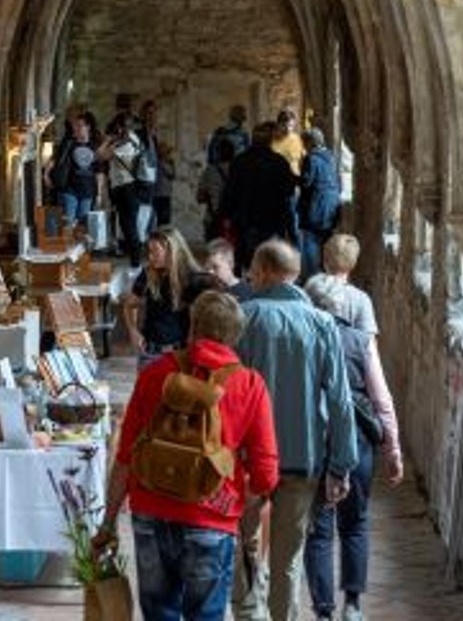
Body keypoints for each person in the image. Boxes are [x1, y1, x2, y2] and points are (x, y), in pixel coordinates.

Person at [94, 291, 279, 620]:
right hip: (211, 518)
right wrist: (234, 502)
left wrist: (108, 523)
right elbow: (266, 474)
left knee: (159, 614)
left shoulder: (155, 374)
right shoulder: (250, 385)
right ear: (236, 335)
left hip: (151, 512)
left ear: (192, 325)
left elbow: (125, 457)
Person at [234, 239, 358, 621]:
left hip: (247, 459)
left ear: (269, 272)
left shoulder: (243, 319)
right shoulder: (321, 324)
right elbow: (339, 399)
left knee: (242, 549)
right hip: (303, 455)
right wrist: (341, 464)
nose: (250, 278)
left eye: (254, 271)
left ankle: (247, 614)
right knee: (289, 557)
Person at [303, 284, 403, 621]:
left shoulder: (303, 340)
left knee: (319, 528)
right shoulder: (361, 342)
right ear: (344, 310)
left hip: (314, 442)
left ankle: (323, 609)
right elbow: (382, 401)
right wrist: (393, 450)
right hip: (358, 441)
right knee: (355, 523)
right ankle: (354, 604)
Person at [123, 227, 213, 370]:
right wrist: (133, 331)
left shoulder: (193, 278)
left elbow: (203, 317)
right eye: (149, 252)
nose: (150, 257)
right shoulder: (148, 274)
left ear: (171, 251)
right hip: (150, 351)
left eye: (155, 252)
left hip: (181, 352)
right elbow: (129, 304)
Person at [218, 122, 298, 271]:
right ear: (270, 141)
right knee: (270, 260)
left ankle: (250, 290)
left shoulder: (240, 162)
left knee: (249, 262)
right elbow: (289, 192)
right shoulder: (279, 162)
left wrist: (225, 215)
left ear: (252, 140)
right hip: (272, 221)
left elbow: (230, 192)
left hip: (246, 220)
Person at [303, 234, 377, 335]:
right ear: (354, 263)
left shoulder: (310, 288)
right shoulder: (361, 299)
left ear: (324, 259)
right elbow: (369, 343)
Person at [98, 111, 145, 267]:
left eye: (118, 127)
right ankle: (134, 261)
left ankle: (136, 262)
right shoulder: (127, 140)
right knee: (126, 226)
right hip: (121, 187)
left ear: (121, 127)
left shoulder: (128, 142)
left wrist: (108, 141)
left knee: (129, 226)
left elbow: (101, 155)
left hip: (127, 187)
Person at [298, 128, 342, 278]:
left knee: (310, 243)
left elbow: (306, 182)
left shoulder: (311, 158)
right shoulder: (331, 156)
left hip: (316, 207)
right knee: (326, 242)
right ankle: (327, 276)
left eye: (304, 143)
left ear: (310, 143)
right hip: (332, 207)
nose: (304, 146)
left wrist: (293, 177)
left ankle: (312, 279)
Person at [197, 139, 235, 240]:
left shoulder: (210, 171)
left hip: (213, 217)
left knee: (213, 250)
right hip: (233, 218)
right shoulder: (239, 169)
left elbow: (200, 197)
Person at [271, 108, 305, 177]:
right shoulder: (271, 139)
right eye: (284, 126)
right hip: (276, 178)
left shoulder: (297, 139)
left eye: (291, 126)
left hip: (294, 178)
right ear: (278, 124)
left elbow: (303, 159)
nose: (288, 130)